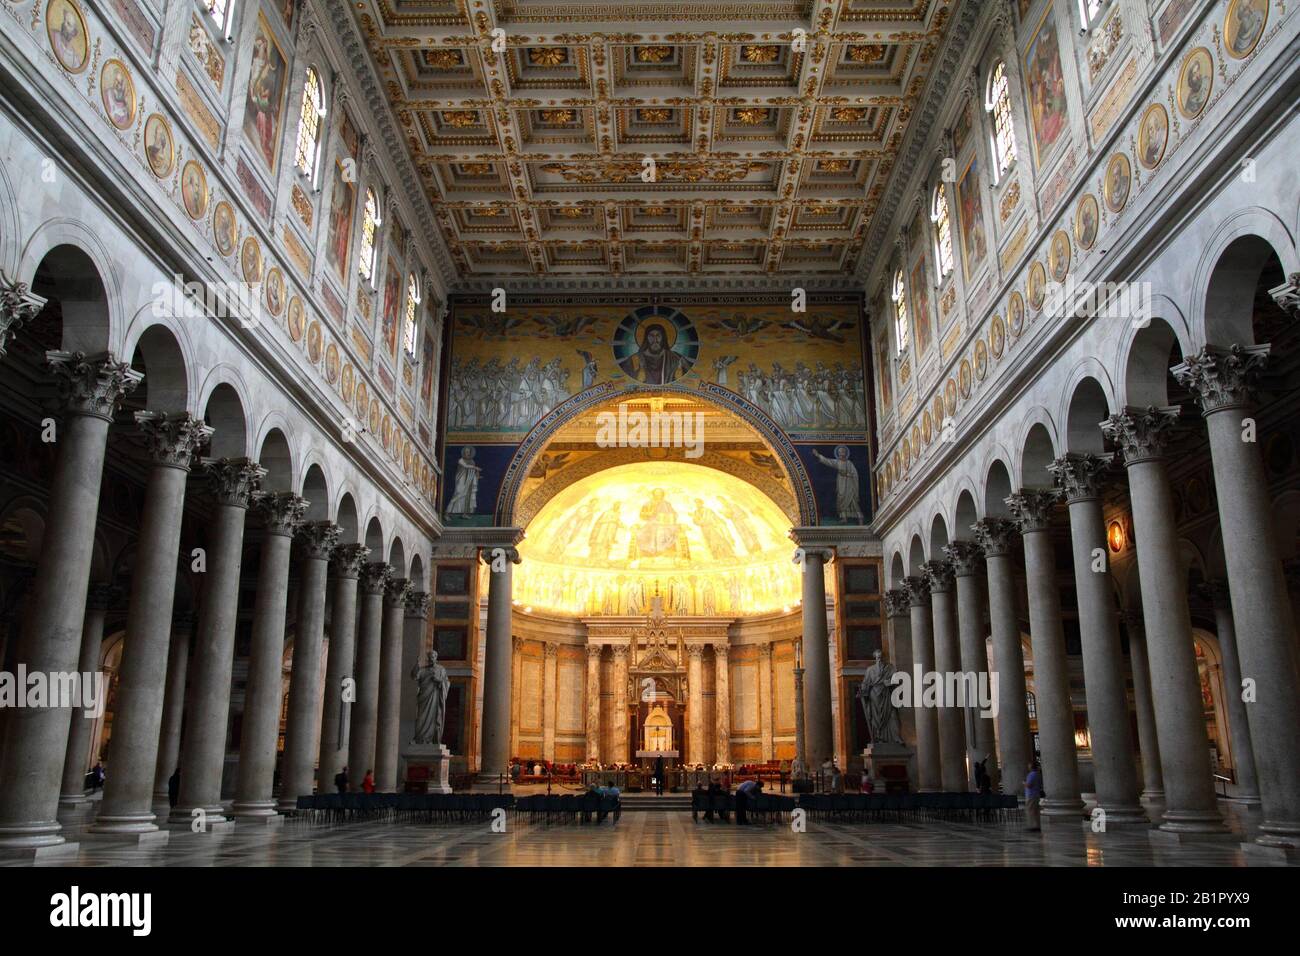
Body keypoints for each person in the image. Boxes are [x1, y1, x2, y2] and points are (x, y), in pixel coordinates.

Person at [1024, 759, 1043, 832]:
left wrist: (1024, 783)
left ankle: (1032, 826)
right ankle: (1037, 825)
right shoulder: (1038, 774)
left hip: (1031, 795)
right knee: (1036, 811)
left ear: (1031, 766)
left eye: (1029, 765)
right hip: (1036, 794)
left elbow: (1029, 785)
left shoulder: (1031, 774)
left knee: (1030, 810)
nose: (1028, 766)